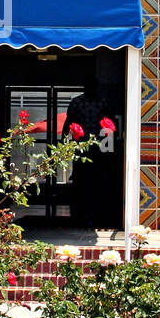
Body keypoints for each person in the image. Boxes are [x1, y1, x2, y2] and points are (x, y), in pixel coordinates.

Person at [63, 78, 117, 227]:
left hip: (86, 148)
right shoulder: (103, 103)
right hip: (97, 149)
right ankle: (90, 214)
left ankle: (82, 214)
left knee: (83, 182)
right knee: (92, 182)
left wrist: (66, 145)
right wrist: (110, 149)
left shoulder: (77, 102)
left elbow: (69, 125)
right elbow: (111, 127)